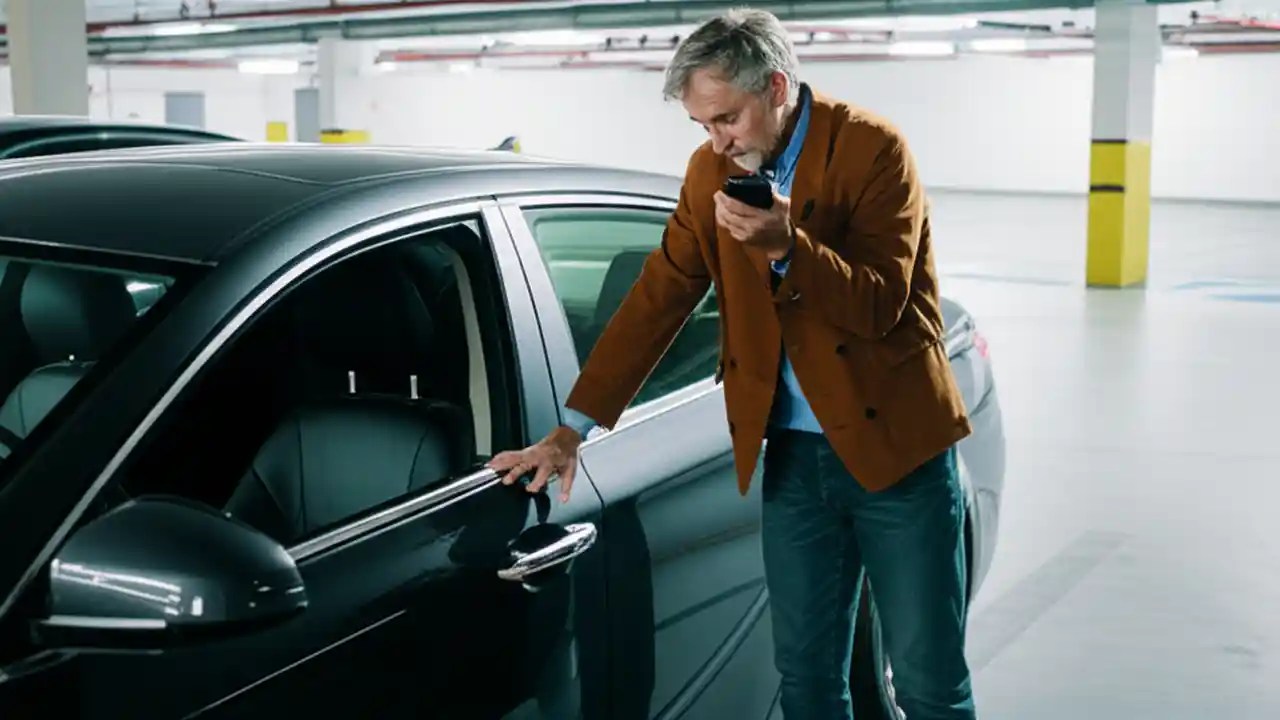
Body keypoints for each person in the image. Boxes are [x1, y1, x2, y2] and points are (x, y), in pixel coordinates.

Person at [487, 8, 977, 720]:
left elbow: (879, 304)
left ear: (775, 87)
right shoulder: (709, 173)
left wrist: (789, 247)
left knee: (930, 682)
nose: (718, 141)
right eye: (703, 126)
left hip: (899, 453)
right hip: (796, 462)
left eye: (726, 119)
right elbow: (658, 297)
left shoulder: (874, 149)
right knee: (806, 678)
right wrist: (572, 429)